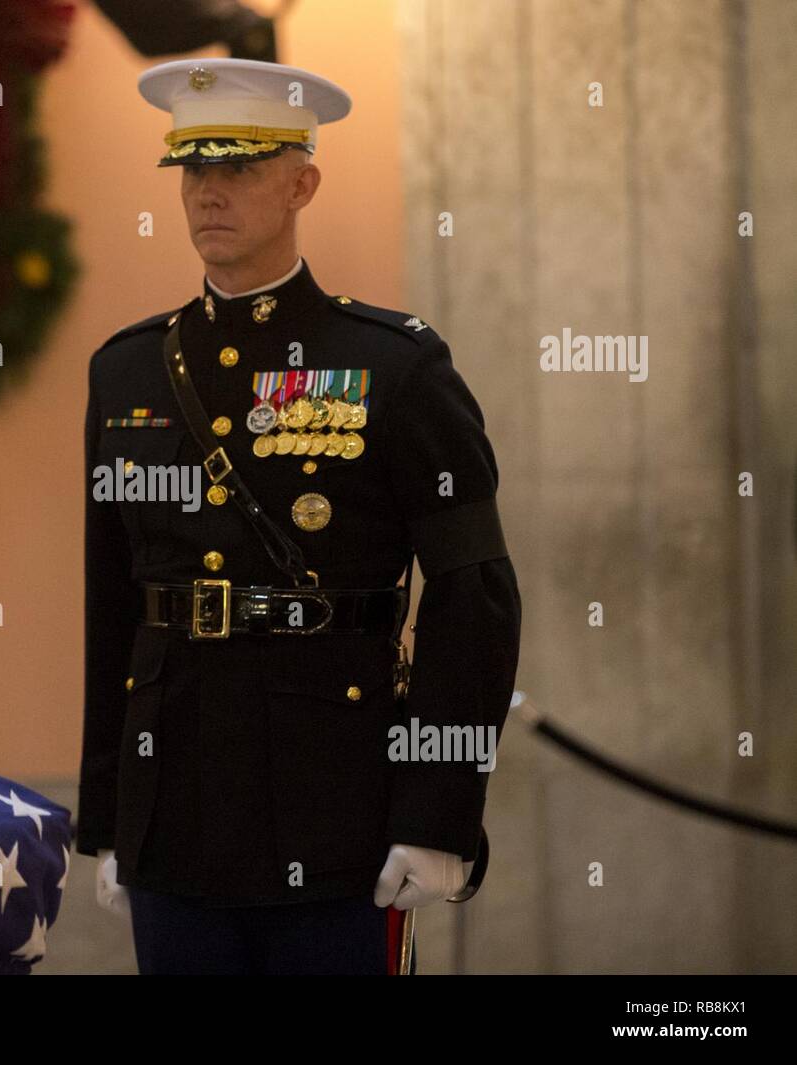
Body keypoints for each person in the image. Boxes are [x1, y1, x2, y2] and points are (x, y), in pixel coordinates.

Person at [76, 58, 522, 975]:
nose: (209, 192)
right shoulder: (125, 373)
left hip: (339, 815)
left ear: (301, 183)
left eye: (237, 167)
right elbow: (113, 603)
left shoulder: (395, 368)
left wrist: (438, 814)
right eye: (194, 169)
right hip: (177, 813)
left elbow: (473, 593)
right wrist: (112, 814)